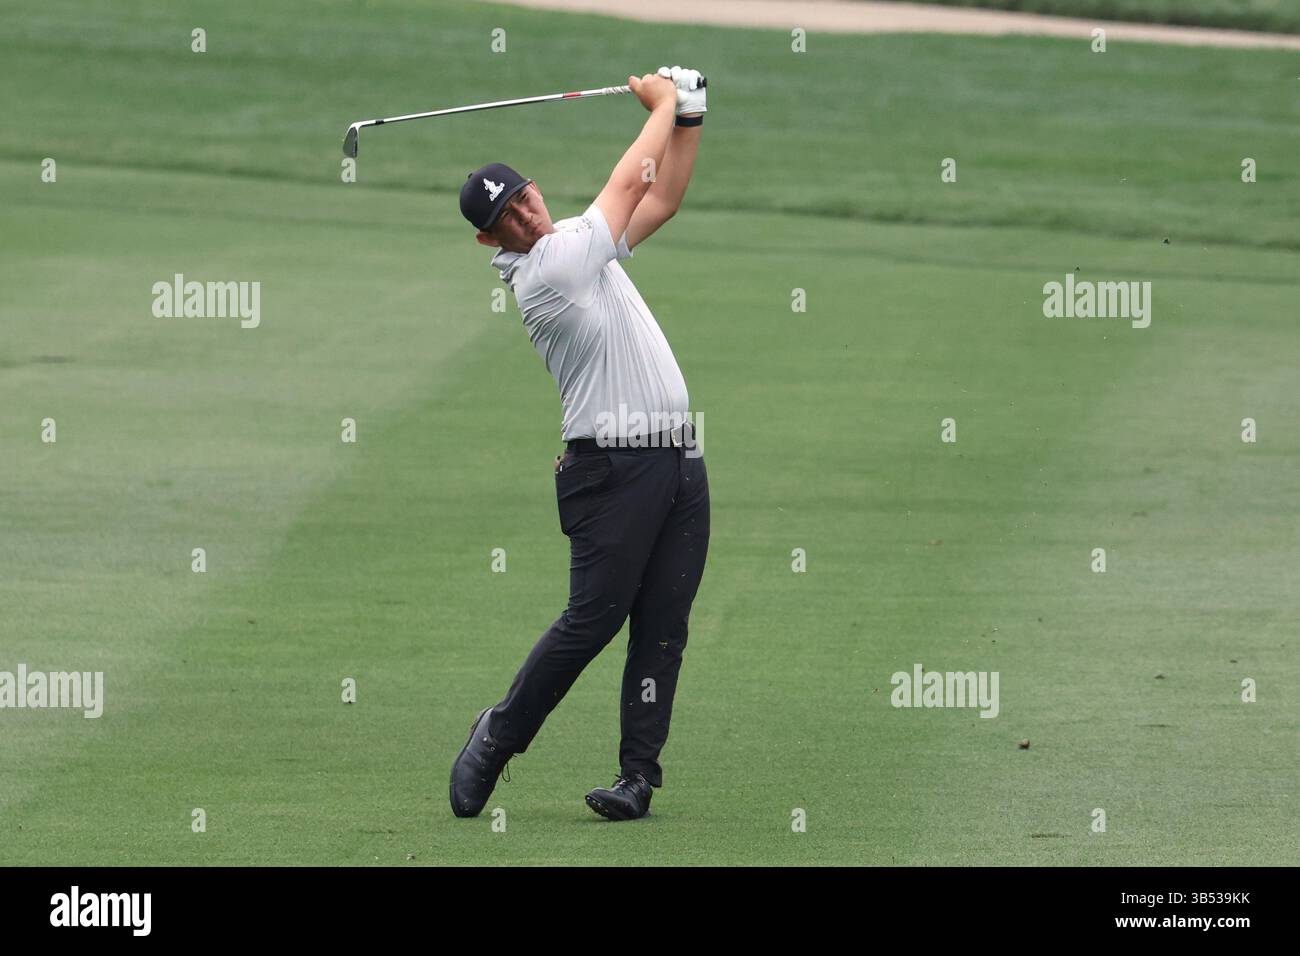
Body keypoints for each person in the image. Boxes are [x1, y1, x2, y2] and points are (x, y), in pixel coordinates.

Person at [450, 66, 710, 821]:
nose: (527, 217)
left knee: (662, 624)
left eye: (525, 197)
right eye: (508, 217)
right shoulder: (548, 270)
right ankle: (498, 736)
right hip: (612, 469)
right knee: (594, 620)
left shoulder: (576, 243)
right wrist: (661, 104)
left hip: (677, 462)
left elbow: (661, 197)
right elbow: (631, 180)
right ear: (489, 238)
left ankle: (637, 779)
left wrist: (689, 117)